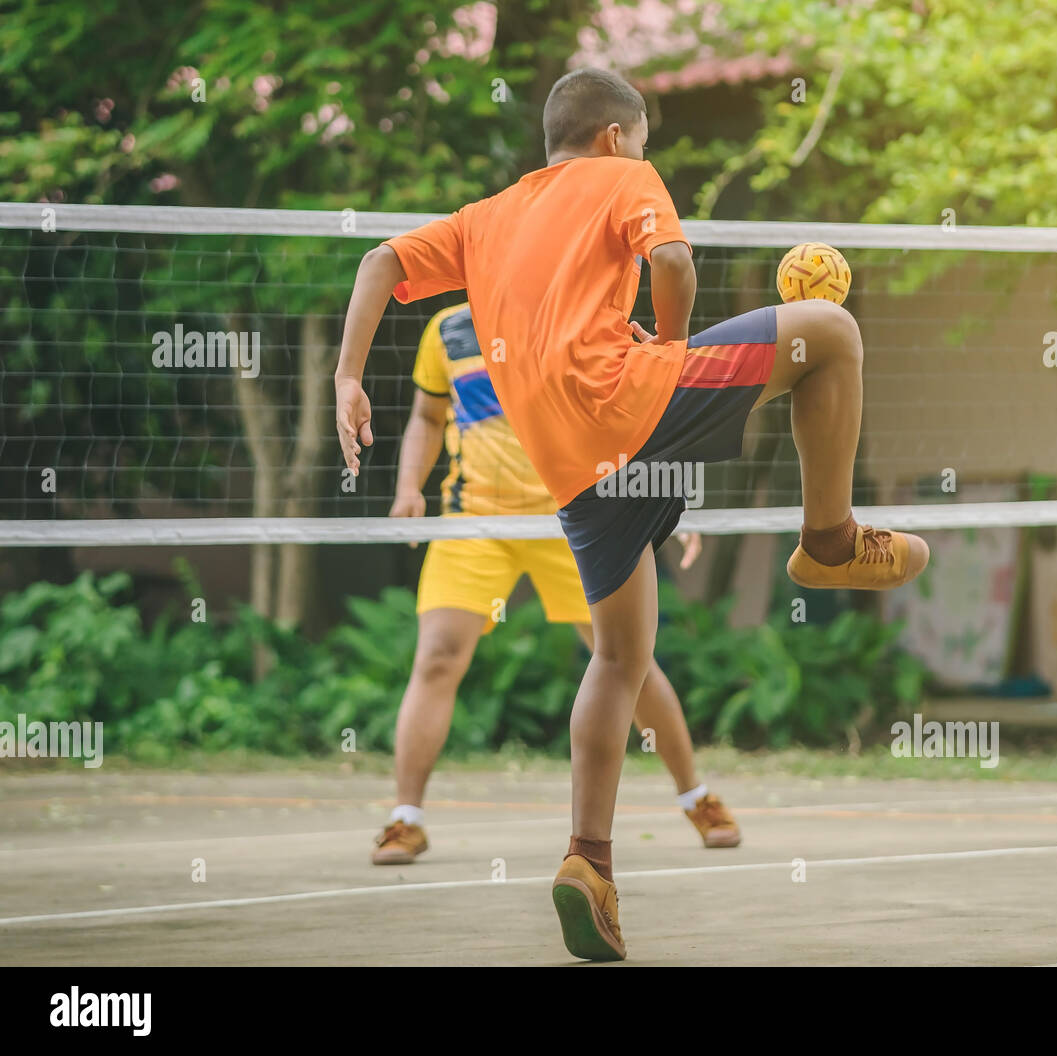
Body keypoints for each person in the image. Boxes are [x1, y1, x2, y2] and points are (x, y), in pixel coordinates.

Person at [336, 67, 929, 961]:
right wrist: (676, 346)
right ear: (617, 136)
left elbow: (379, 259)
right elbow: (675, 262)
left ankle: (590, 862)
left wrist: (347, 375)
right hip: (630, 400)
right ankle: (831, 538)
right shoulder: (625, 176)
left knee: (619, 658)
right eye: (643, 140)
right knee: (830, 333)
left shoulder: (484, 218)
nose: (642, 153)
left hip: (567, 464)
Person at [370, 302, 740, 866]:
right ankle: (406, 818)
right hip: (477, 518)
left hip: (575, 512)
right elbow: (426, 416)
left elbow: (638, 415)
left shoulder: (581, 315)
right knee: (438, 657)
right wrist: (408, 489)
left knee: (627, 660)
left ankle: (697, 796)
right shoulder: (446, 329)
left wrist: (670, 500)